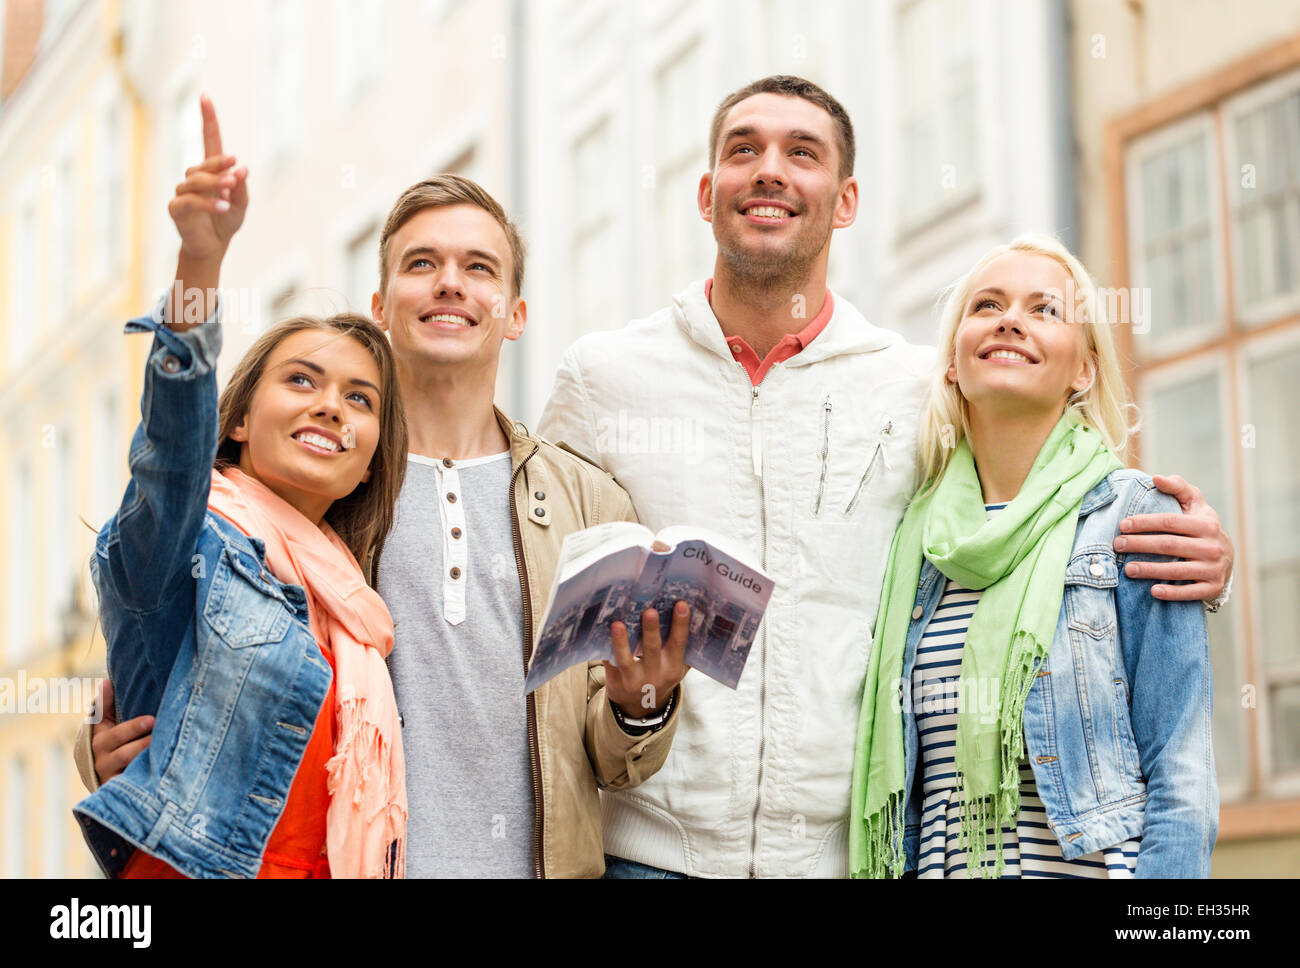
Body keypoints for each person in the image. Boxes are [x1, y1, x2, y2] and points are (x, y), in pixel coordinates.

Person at [538, 75, 1234, 878]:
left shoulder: (918, 389)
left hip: (841, 860)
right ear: (705, 192)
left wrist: (1201, 565)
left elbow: (1038, 502)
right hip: (648, 854)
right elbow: (543, 601)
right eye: (744, 150)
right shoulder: (604, 378)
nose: (770, 170)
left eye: (803, 153)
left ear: (845, 201)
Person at [77, 132, 691, 877]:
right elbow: (174, 534)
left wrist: (641, 702)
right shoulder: (320, 494)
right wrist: (114, 745)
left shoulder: (584, 500)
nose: (450, 284)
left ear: (516, 312)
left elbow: (612, 757)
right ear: (381, 304)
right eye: (422, 264)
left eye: (479, 268)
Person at [72, 96, 409, 879]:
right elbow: (168, 449)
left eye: (361, 399)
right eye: (302, 380)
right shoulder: (186, 544)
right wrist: (201, 265)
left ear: (368, 462)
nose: (332, 404)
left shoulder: (357, 607)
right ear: (237, 423)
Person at [850, 235, 1217, 878]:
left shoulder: (1133, 517)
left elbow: (1182, 775)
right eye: (986, 305)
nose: (1010, 319)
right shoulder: (917, 540)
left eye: (1045, 309)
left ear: (1084, 370)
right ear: (953, 364)